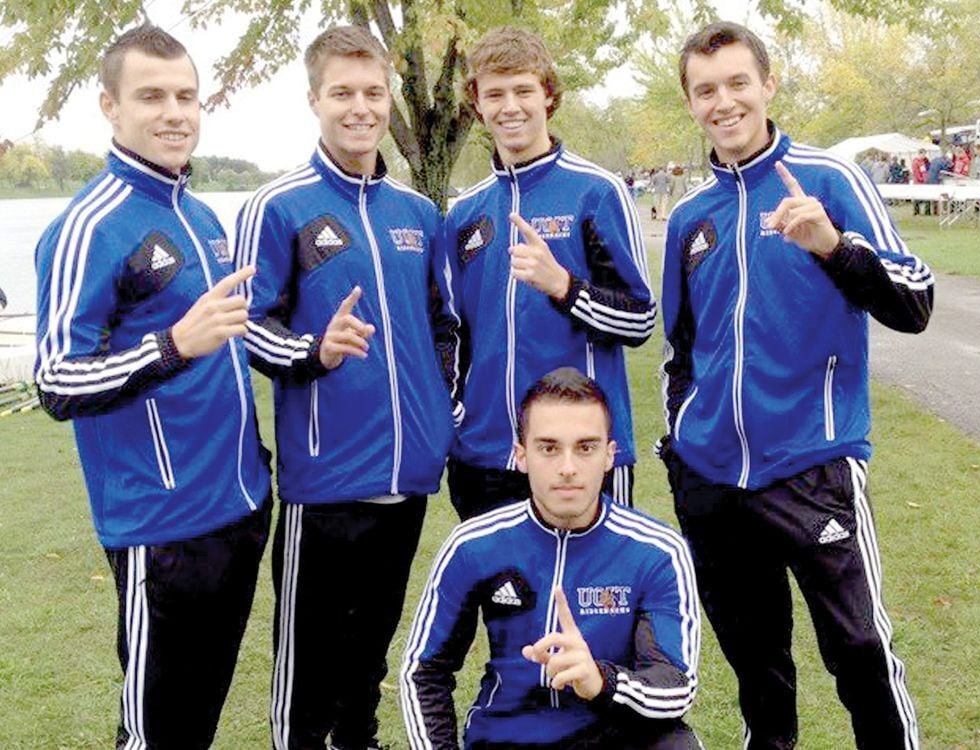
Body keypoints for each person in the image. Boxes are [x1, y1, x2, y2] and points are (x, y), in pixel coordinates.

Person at [659, 21, 933, 750]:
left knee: (861, 657)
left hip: (814, 469)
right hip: (715, 483)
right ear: (691, 102)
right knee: (759, 672)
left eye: (738, 82)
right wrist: (685, 455)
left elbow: (914, 303)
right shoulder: (689, 217)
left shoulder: (829, 181)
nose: (725, 102)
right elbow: (681, 353)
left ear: (768, 84)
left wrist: (833, 248)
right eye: (706, 89)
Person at [33, 24, 273, 749]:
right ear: (110, 105)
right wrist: (171, 345)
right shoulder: (90, 225)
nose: (174, 113)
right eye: (152, 97)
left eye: (186, 96)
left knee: (195, 720)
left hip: (238, 509)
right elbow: (56, 379)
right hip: (161, 531)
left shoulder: (201, 215)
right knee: (156, 731)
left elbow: (227, 348)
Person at [232, 25, 454, 750]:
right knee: (308, 666)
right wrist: (313, 351)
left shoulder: (418, 214)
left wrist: (437, 419)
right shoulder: (280, 207)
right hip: (324, 484)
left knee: (367, 656)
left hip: (408, 481)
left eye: (372, 92)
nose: (360, 108)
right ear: (313, 99)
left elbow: (443, 328)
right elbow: (247, 325)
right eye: (342, 93)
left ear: (387, 97)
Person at [401, 367, 702, 750]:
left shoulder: (657, 552)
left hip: (616, 733)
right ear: (521, 455)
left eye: (586, 447)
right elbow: (424, 672)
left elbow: (674, 687)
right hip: (507, 737)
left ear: (610, 455)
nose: (567, 467)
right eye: (548, 447)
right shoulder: (473, 545)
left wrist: (600, 680)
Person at [442, 26, 656, 520]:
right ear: (477, 105)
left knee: (583, 597)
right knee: (499, 598)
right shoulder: (465, 213)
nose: (509, 106)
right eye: (494, 94)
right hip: (485, 456)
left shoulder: (596, 192)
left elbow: (639, 321)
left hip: (579, 456)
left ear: (549, 95)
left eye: (523, 90)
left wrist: (563, 286)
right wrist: (456, 417)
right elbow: (454, 336)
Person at [910, 148, 930, 215]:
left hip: (923, 182)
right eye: (924, 154)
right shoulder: (915, 162)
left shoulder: (922, 162)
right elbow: (916, 173)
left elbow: (924, 171)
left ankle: (926, 211)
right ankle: (916, 211)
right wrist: (921, 179)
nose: (924, 156)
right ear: (920, 154)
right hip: (918, 182)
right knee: (917, 197)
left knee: (926, 197)